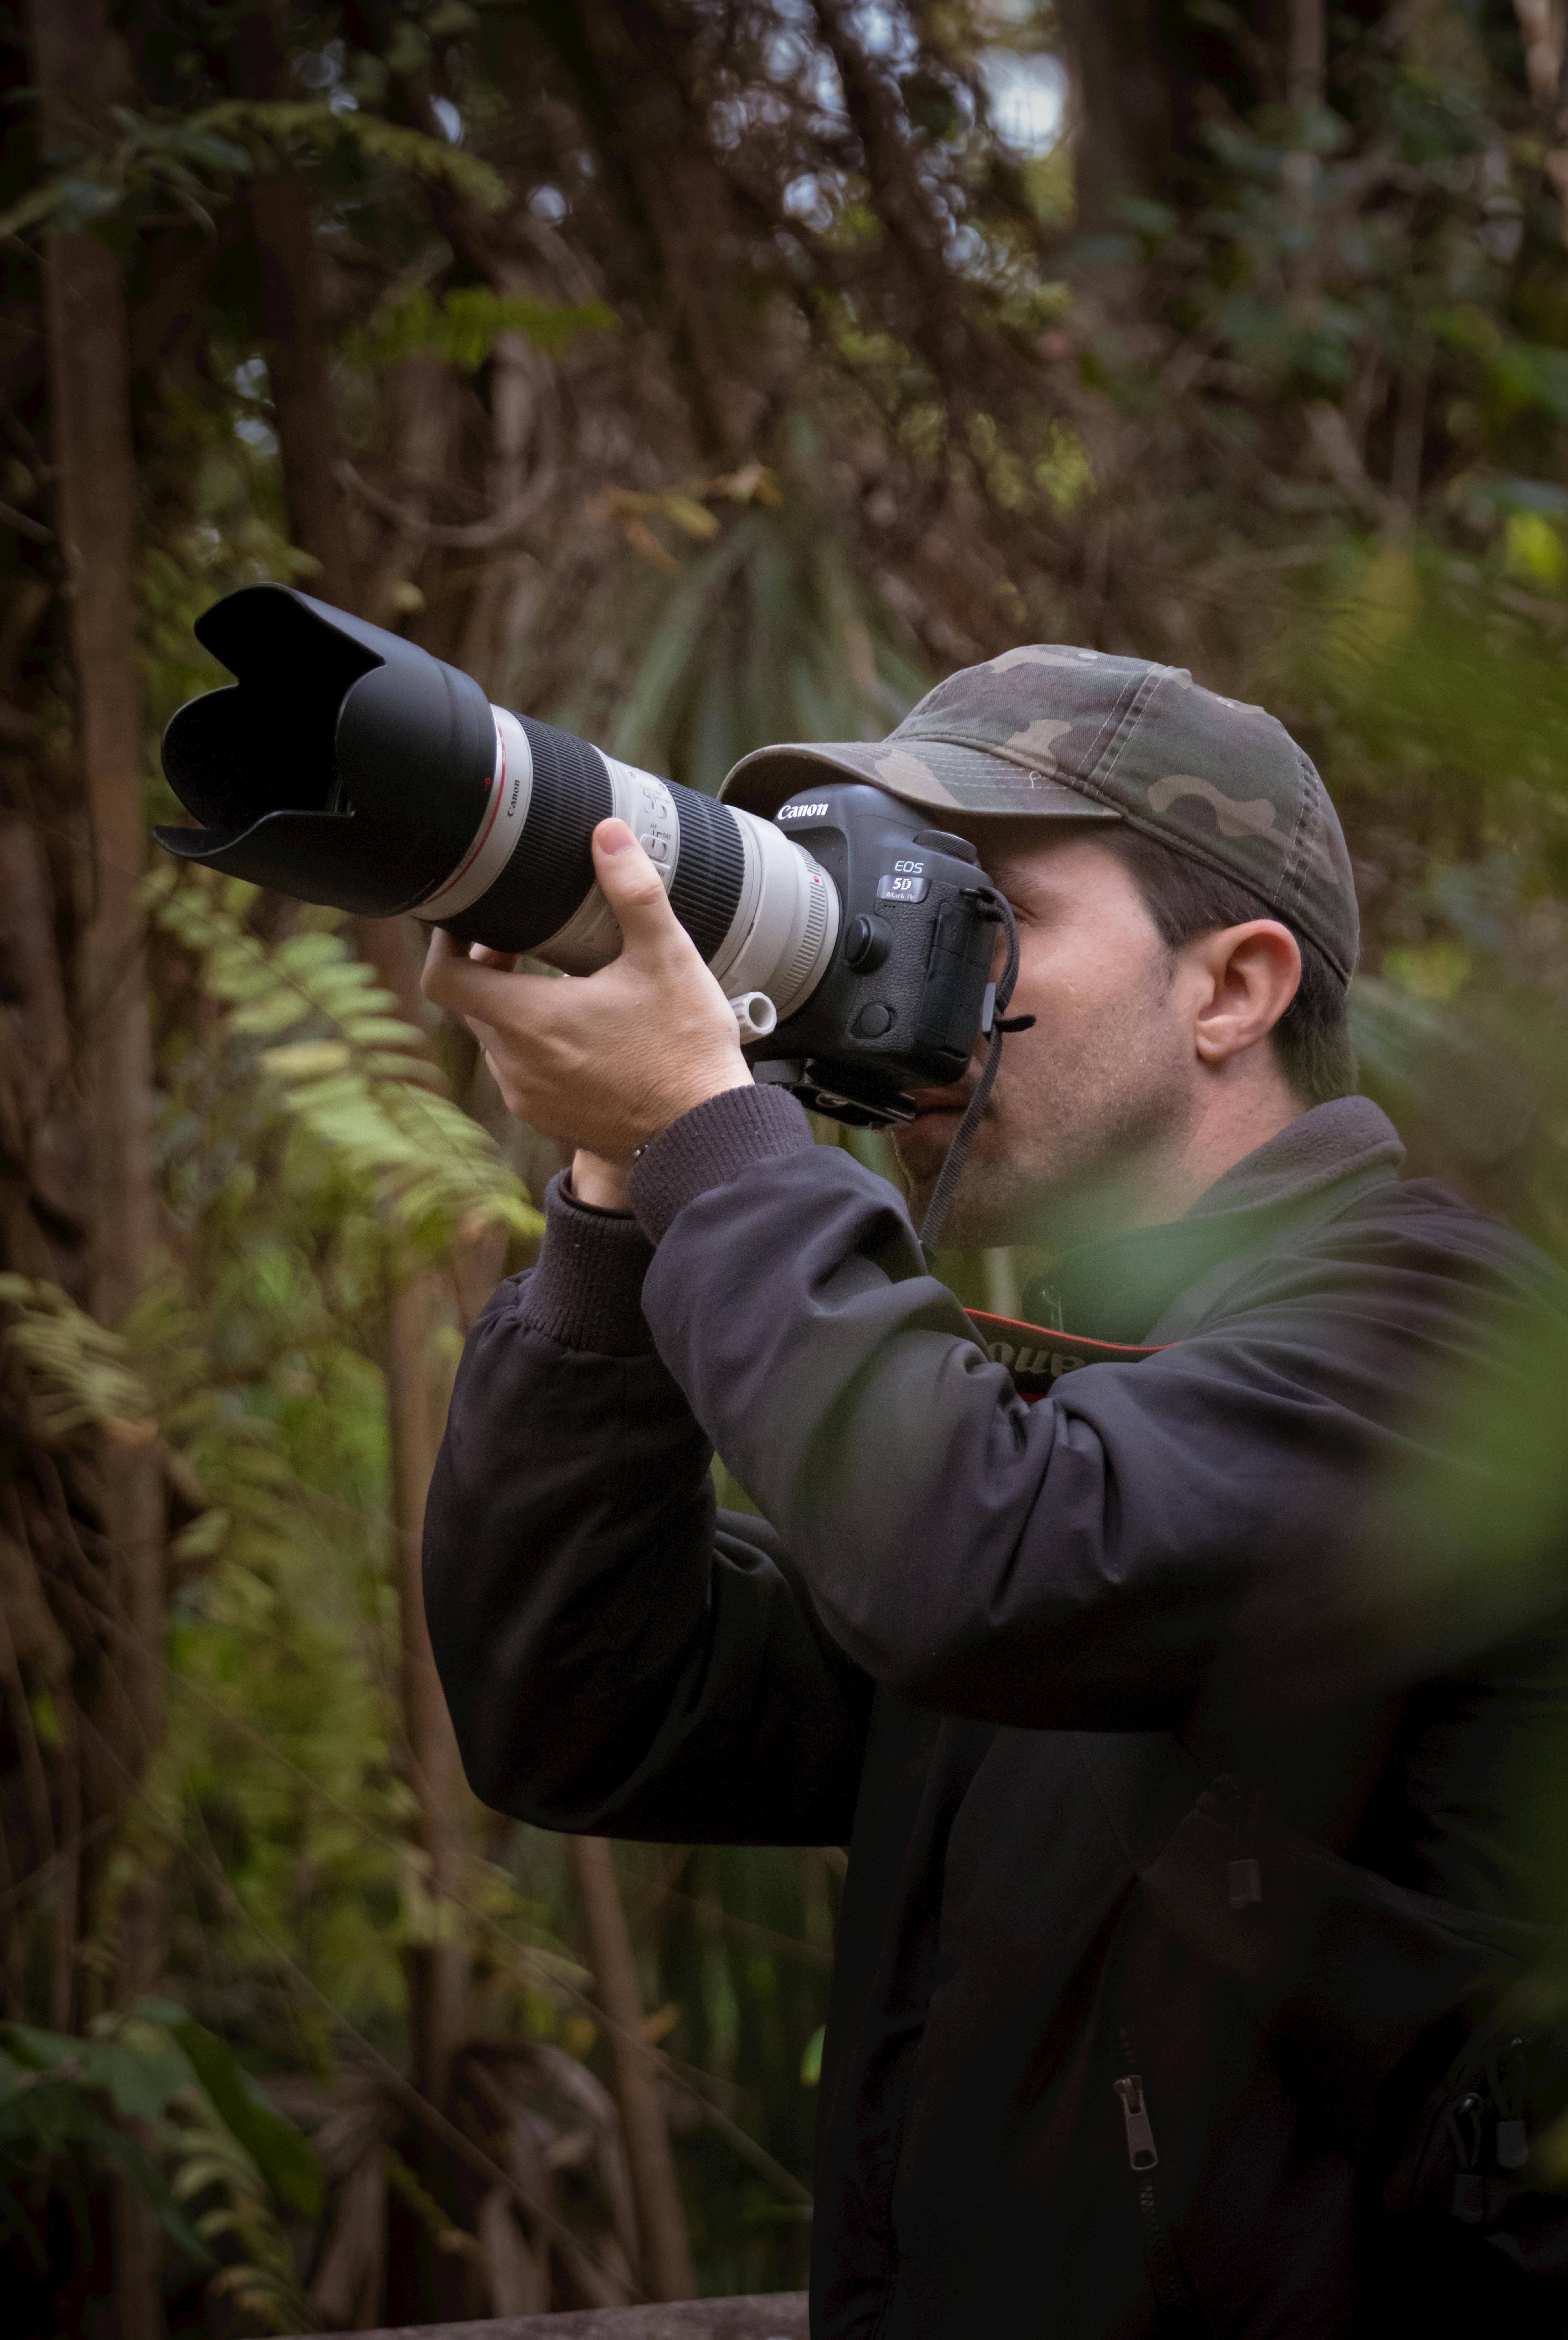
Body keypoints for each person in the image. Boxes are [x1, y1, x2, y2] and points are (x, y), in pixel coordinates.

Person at [420, 648, 1568, 2337]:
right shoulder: (1069, 1406)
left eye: (986, 905)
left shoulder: (1436, 1343)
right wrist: (612, 1208)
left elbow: (984, 1562)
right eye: (879, 899)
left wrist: (707, 1140)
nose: (909, 965)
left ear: (1231, 990)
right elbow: (585, 1702)